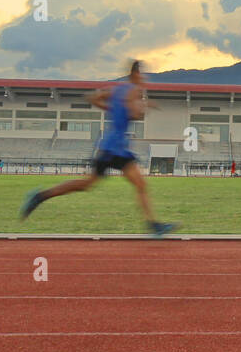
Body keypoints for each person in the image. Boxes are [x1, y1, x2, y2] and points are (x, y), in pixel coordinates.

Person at [20, 61, 176, 237]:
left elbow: (92, 97)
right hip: (115, 148)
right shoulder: (134, 91)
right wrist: (145, 106)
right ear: (134, 74)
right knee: (133, 184)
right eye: (142, 74)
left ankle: (40, 196)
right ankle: (153, 226)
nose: (144, 77)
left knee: (90, 184)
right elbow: (135, 114)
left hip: (112, 146)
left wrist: (111, 108)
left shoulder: (116, 90)